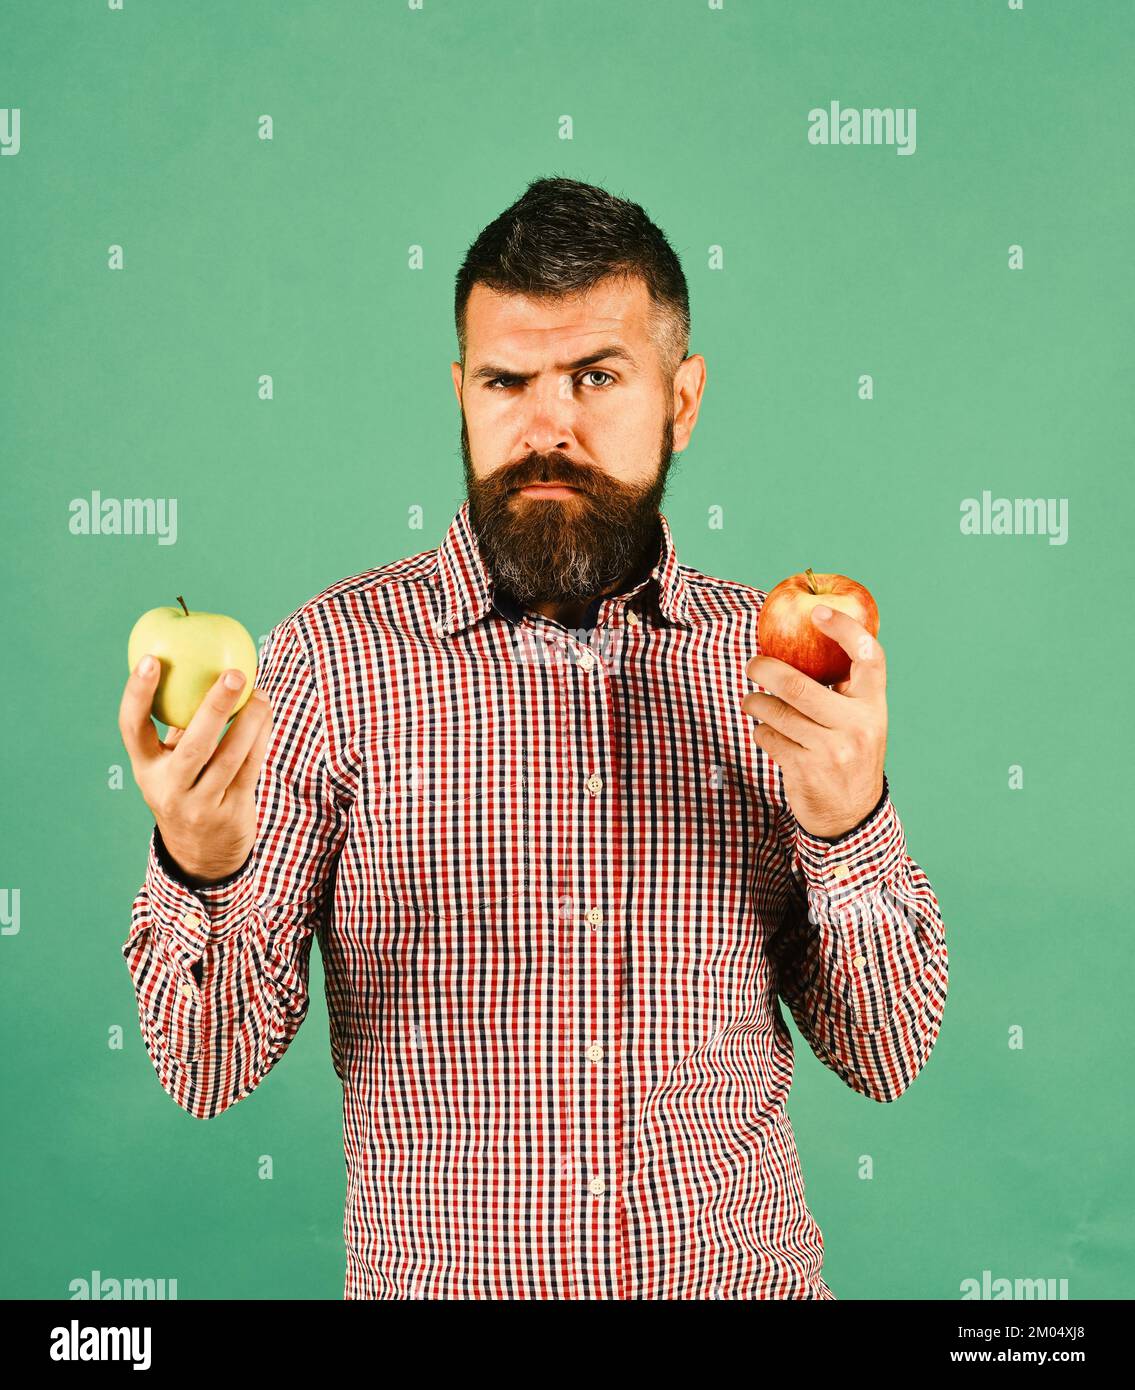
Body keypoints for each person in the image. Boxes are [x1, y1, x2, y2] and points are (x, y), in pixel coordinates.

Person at [117, 176, 948, 1300]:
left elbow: (887, 1052)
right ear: (461, 394)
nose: (545, 425)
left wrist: (850, 821)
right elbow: (204, 1069)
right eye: (506, 382)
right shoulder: (329, 659)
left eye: (595, 377)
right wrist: (199, 865)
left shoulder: (771, 672)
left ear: (682, 400)